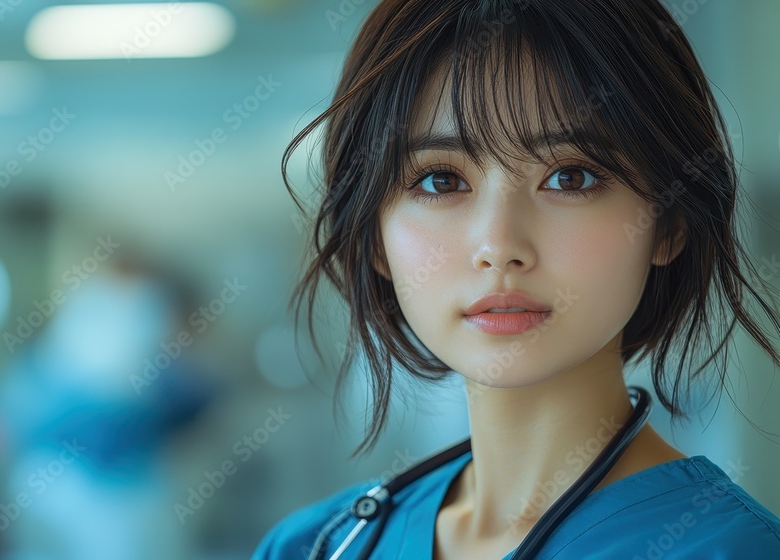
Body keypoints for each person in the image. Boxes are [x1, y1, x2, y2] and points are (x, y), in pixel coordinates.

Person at [252, 0, 780, 558]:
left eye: (569, 176)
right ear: (372, 234)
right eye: (439, 180)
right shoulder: (314, 546)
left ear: (669, 222)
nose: (499, 246)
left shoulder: (729, 549)